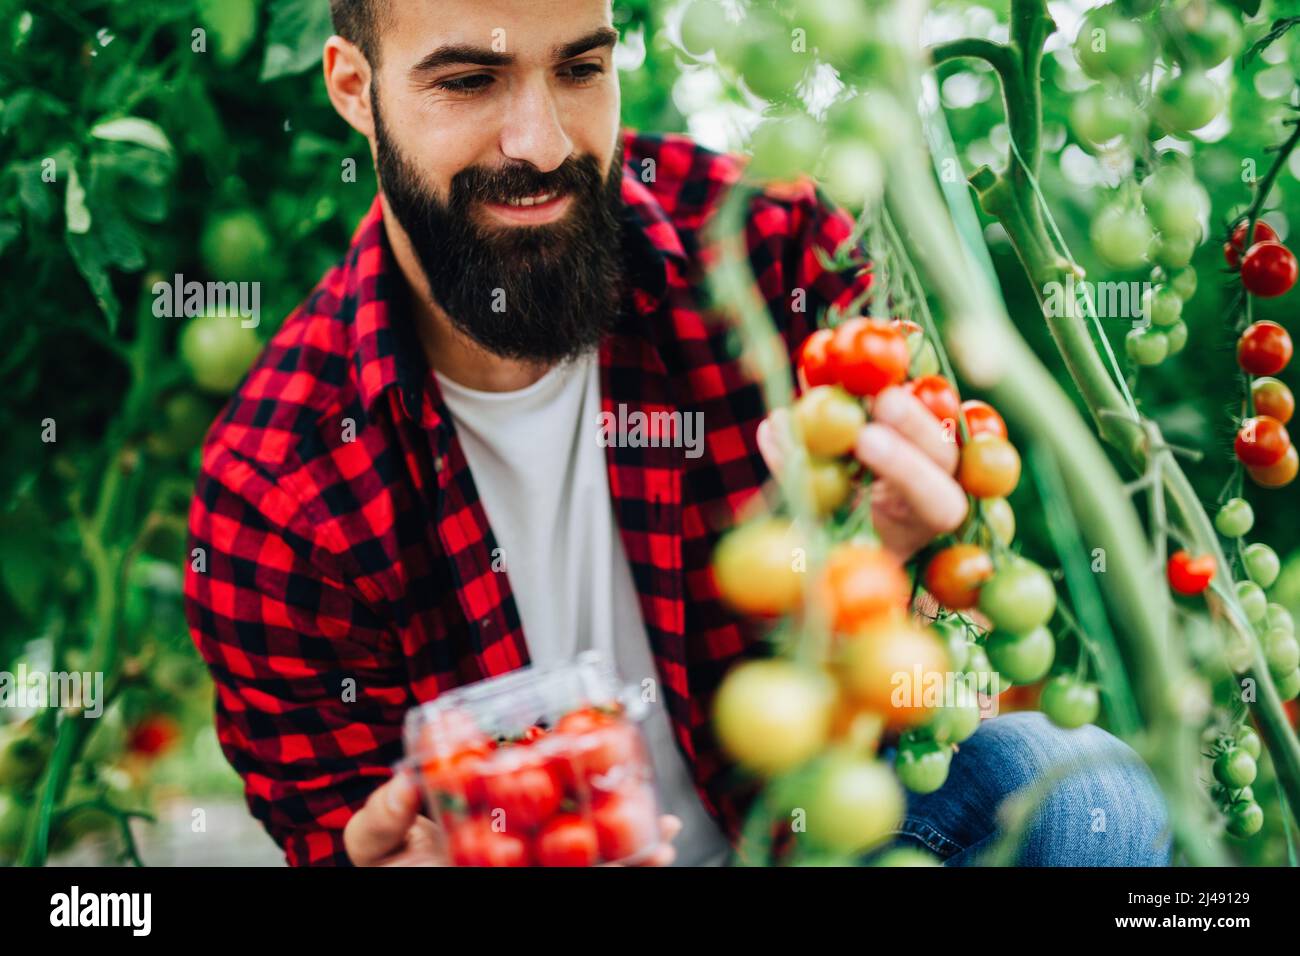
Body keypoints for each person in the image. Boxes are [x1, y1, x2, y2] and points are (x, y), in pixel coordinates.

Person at [183, 0, 1172, 867]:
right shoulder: (271, 487)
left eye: (580, 68)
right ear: (355, 88)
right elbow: (333, 825)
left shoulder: (767, 249)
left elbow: (921, 689)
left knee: (1082, 792)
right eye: (469, 80)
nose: (539, 140)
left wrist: (895, 559)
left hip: (806, 836)